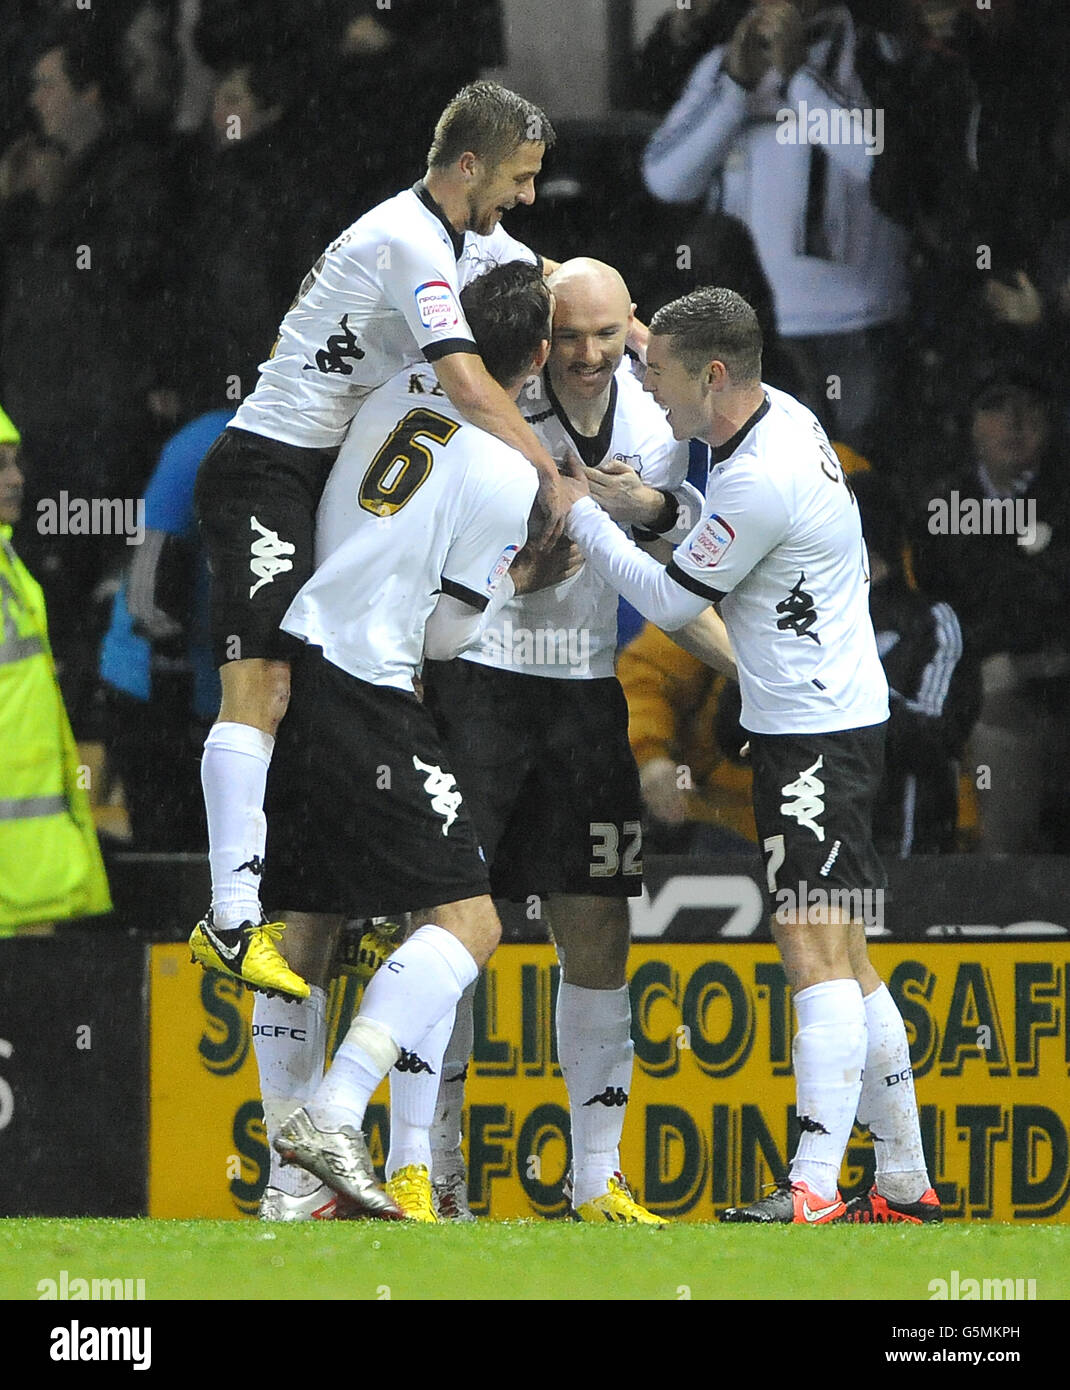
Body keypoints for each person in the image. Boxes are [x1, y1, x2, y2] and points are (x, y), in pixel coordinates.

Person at [556, 287, 940, 1224]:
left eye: (658, 375)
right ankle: (903, 1181)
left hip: (810, 736)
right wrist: (651, 499)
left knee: (812, 949)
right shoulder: (782, 421)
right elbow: (700, 514)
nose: (649, 389)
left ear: (714, 376)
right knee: (850, 956)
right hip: (829, 722)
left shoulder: (761, 476)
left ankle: (811, 1190)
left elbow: (675, 598)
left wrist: (584, 517)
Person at [189, 81, 578, 1003]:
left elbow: (552, 277)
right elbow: (473, 384)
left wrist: (641, 334)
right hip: (265, 468)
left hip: (317, 472)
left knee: (341, 664)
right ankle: (231, 917)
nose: (527, 197)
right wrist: (550, 475)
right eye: (520, 178)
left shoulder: (465, 236)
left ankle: (349, 899)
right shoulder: (405, 240)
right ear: (470, 165)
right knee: (265, 682)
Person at [248, 262, 576, 1219]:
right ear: (541, 358)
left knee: (304, 925)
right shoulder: (510, 467)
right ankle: (338, 1111)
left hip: (301, 661)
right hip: (370, 685)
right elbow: (447, 635)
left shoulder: (391, 390)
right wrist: (525, 578)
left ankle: (287, 1195)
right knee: (469, 922)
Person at [396, 257, 719, 1224]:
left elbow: (689, 545)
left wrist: (651, 511)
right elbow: (421, 526)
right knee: (454, 930)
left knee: (600, 925)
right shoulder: (493, 392)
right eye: (565, 335)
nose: (583, 355)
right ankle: (434, 1174)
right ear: (542, 332)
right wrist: (506, 578)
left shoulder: (655, 416)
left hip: (584, 694)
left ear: (635, 332)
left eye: (604, 337)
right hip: (479, 684)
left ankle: (596, 1180)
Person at [642, 0, 910, 455]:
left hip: (855, 323)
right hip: (747, 331)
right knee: (750, 477)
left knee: (858, 483)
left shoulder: (876, 52)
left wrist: (799, 76)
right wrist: (733, 89)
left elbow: (877, 164)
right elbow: (665, 178)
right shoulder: (727, 63)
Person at [0, 405, 111, 936]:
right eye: (0, 465)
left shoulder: (11, 567)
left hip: (26, 869)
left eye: (15, 462)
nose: (17, 478)